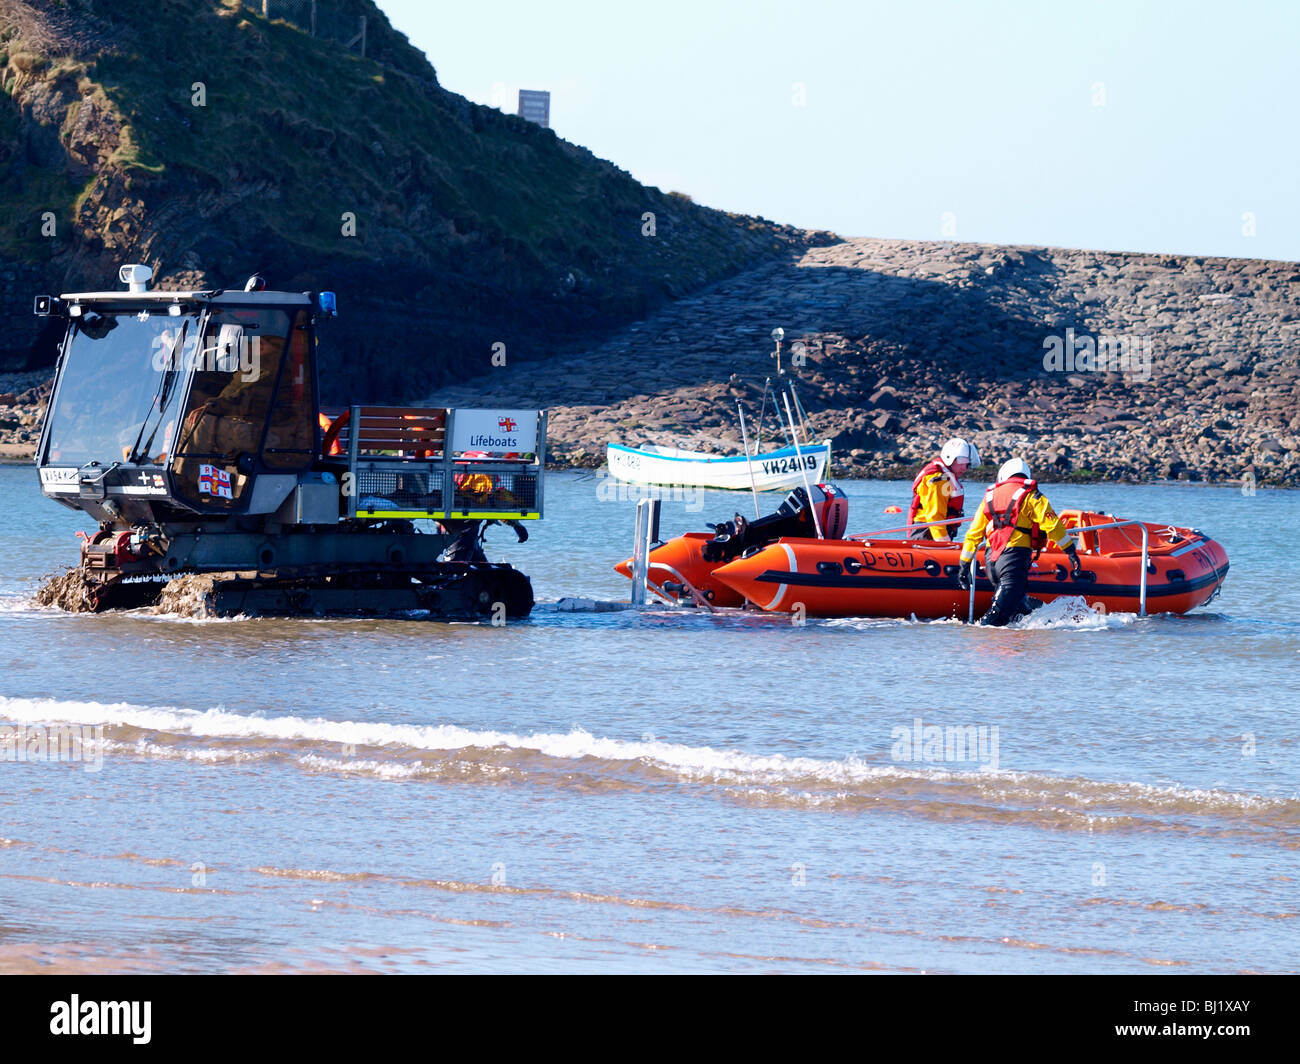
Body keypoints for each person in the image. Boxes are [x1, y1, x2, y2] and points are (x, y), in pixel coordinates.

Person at [957, 457, 1083, 626]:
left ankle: (1030, 635)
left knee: (1019, 608)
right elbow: (1053, 526)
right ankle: (976, 645)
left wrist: (964, 565)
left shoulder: (989, 497)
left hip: (991, 562)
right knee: (994, 618)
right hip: (1013, 561)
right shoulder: (1031, 495)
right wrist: (1071, 552)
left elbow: (973, 534)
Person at [908, 438, 979, 540]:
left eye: (967, 464)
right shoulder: (939, 480)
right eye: (961, 462)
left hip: (933, 531)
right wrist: (944, 542)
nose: (964, 468)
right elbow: (935, 517)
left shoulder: (945, 478)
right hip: (928, 533)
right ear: (950, 458)